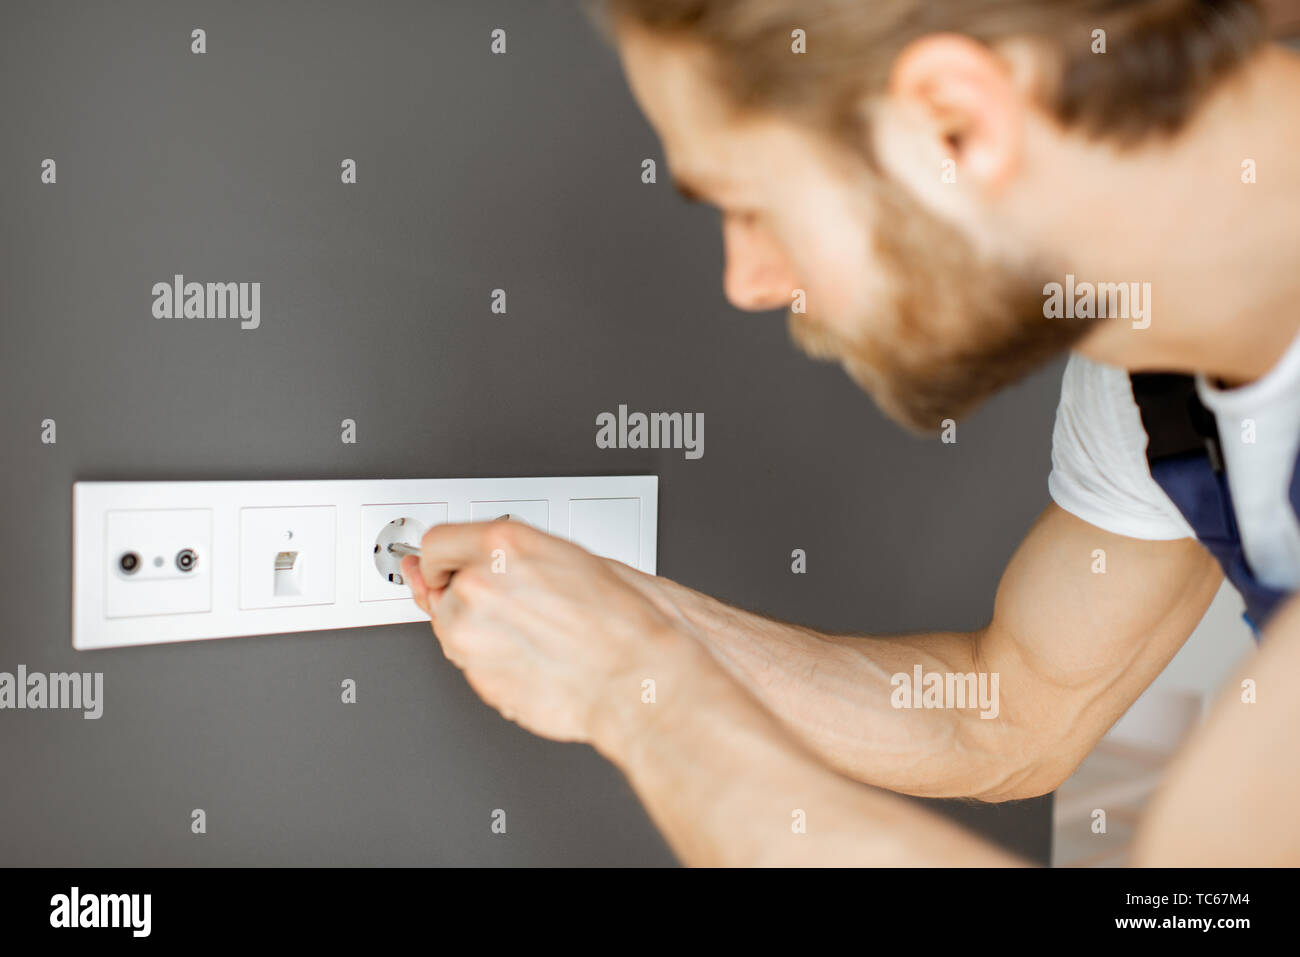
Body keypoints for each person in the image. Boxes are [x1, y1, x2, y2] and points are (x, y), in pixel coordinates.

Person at [402, 0, 1300, 865]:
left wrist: (637, 700)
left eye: (747, 203)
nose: (746, 281)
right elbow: (1011, 718)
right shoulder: (1151, 373)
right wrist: (641, 625)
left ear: (954, 122)